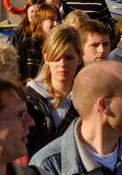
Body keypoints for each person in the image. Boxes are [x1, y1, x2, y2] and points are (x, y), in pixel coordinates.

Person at [25, 25, 81, 159]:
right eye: (56, 57)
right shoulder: (27, 99)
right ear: (46, 57)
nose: (62, 64)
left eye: (69, 57)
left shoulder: (88, 100)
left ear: (80, 58)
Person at [17, 3, 61, 81]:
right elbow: (19, 77)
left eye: (58, 20)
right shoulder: (25, 48)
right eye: (52, 20)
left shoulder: (62, 47)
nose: (56, 24)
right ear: (40, 22)